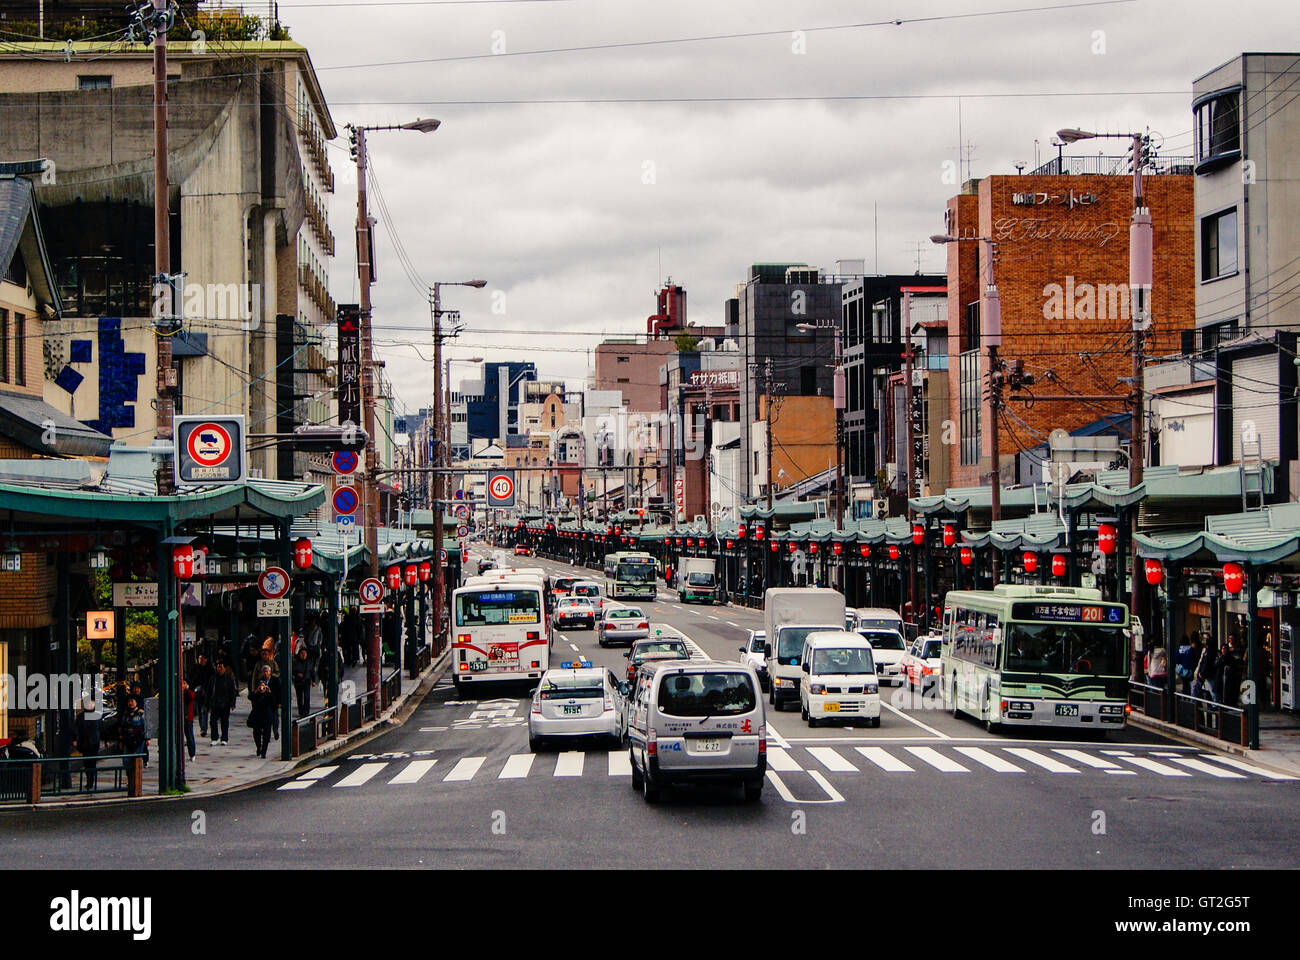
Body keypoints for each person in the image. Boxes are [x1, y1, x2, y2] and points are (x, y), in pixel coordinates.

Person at [249, 666, 277, 759]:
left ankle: (264, 751)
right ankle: (258, 747)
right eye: (261, 686)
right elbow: (250, 697)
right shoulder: (256, 692)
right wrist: (256, 691)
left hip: (267, 716)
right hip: (257, 715)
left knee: (266, 735)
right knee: (256, 733)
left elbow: (273, 702)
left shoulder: (269, 694)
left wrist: (269, 692)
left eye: (263, 686)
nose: (262, 688)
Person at [207, 660, 237, 746]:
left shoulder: (228, 679)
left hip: (225, 703)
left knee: (224, 722)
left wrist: (232, 703)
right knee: (213, 721)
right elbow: (209, 691)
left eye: (221, 667)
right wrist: (207, 703)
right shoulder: (213, 678)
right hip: (215, 703)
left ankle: (224, 738)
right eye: (218, 667)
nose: (219, 669)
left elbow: (232, 692)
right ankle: (214, 738)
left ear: (224, 669)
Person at [76, 697, 102, 791]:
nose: (90, 705)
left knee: (93, 763)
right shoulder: (80, 716)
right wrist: (75, 740)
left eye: (92, 703)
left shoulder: (97, 716)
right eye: (88, 704)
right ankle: (89, 781)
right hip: (84, 743)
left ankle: (91, 782)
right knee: (86, 763)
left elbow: (102, 729)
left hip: (94, 743)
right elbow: (77, 729)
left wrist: (105, 740)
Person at [119, 696, 147, 774]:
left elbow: (145, 726)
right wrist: (121, 740)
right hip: (127, 740)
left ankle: (135, 780)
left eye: (132, 701)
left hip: (138, 739)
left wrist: (147, 739)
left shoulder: (140, 713)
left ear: (136, 703)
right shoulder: (125, 714)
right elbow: (122, 727)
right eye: (129, 701)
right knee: (126, 760)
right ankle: (129, 778)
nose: (130, 703)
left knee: (136, 759)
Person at [1216, 637, 1245, 708]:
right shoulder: (1219, 659)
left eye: (1225, 648)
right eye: (1223, 649)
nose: (1224, 650)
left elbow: (1234, 667)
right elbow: (1216, 666)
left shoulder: (1231, 659)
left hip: (1230, 680)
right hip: (1220, 679)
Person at [192, 651, 213, 740]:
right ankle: (202, 727)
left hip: (206, 693)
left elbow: (211, 681)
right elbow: (191, 679)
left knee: (203, 711)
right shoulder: (195, 668)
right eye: (200, 659)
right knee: (199, 710)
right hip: (197, 693)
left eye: (203, 659)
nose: (201, 660)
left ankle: (204, 728)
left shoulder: (210, 669)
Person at [292, 644, 313, 716]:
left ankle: (306, 712)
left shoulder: (309, 662)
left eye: (305, 654)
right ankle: (301, 712)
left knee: (307, 697)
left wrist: (313, 681)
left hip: (306, 681)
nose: (303, 655)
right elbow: (292, 671)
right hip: (298, 682)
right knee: (299, 697)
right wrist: (297, 674)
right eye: (302, 653)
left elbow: (311, 671)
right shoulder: (296, 662)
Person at [181, 679, 197, 760]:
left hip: (187, 718)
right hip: (179, 718)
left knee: (189, 736)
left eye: (184, 683)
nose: (182, 685)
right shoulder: (176, 693)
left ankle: (192, 754)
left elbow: (192, 696)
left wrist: (187, 689)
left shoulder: (188, 693)